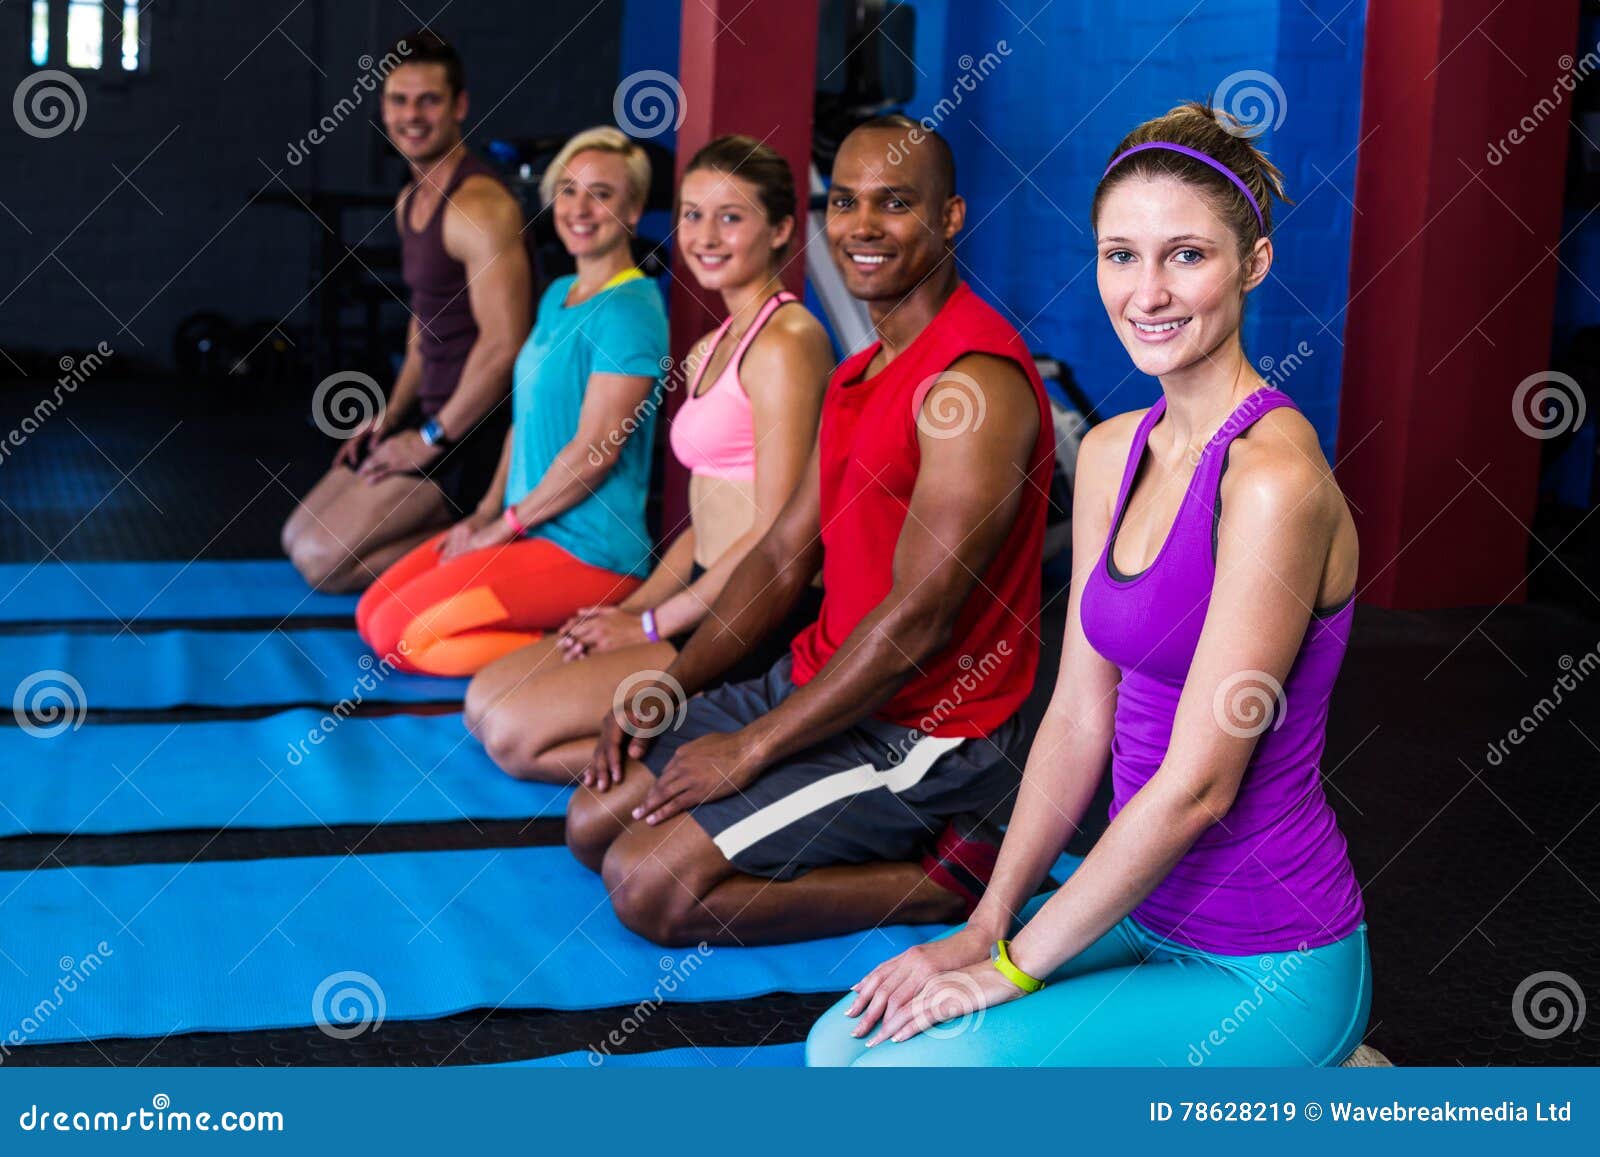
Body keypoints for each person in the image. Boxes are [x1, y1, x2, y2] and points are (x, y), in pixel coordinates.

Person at [807, 101, 1368, 1068]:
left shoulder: (1275, 483)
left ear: (1255, 263)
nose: (1147, 292)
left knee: (910, 1080)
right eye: (1121, 255)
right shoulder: (1113, 452)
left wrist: (1015, 970)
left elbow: (1198, 786)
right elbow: (1075, 715)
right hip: (1136, 910)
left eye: (1186, 255)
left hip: (1264, 959)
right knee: (838, 1048)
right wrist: (986, 926)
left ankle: (1330, 1072)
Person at [566, 117, 1055, 947]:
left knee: (648, 887)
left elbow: (919, 621)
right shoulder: (859, 374)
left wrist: (750, 750)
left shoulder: (973, 383)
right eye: (848, 202)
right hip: (823, 681)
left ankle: (945, 882)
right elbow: (781, 558)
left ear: (950, 217)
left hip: (928, 729)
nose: (862, 226)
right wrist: (674, 682)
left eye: (895, 203)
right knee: (590, 823)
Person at [464, 135, 833, 779]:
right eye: (692, 214)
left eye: (731, 216)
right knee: (484, 699)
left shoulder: (787, 343)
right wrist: (634, 611)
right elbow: (708, 522)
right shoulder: (713, 345)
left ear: (780, 230)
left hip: (752, 617)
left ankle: (755, 762)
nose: (705, 235)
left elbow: (775, 537)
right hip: (703, 591)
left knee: (514, 738)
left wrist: (657, 625)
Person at [353, 127, 668, 676]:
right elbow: (523, 424)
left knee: (398, 638)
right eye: (568, 190)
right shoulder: (556, 294)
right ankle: (550, 631)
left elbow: (595, 453)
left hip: (589, 552)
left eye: (602, 194)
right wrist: (481, 516)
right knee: (370, 612)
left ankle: (581, 649)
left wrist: (504, 530)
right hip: (528, 532)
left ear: (635, 210)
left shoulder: (630, 312)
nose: (580, 208)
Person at [282, 30, 531, 594]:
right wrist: (391, 418)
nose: (411, 116)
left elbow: (504, 345)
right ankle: (461, 526)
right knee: (298, 537)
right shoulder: (411, 199)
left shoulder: (480, 206)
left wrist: (430, 438)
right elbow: (425, 325)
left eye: (429, 100)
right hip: (432, 418)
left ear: (459, 106)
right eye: (398, 100)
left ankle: (487, 529)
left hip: (478, 437)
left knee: (324, 564)